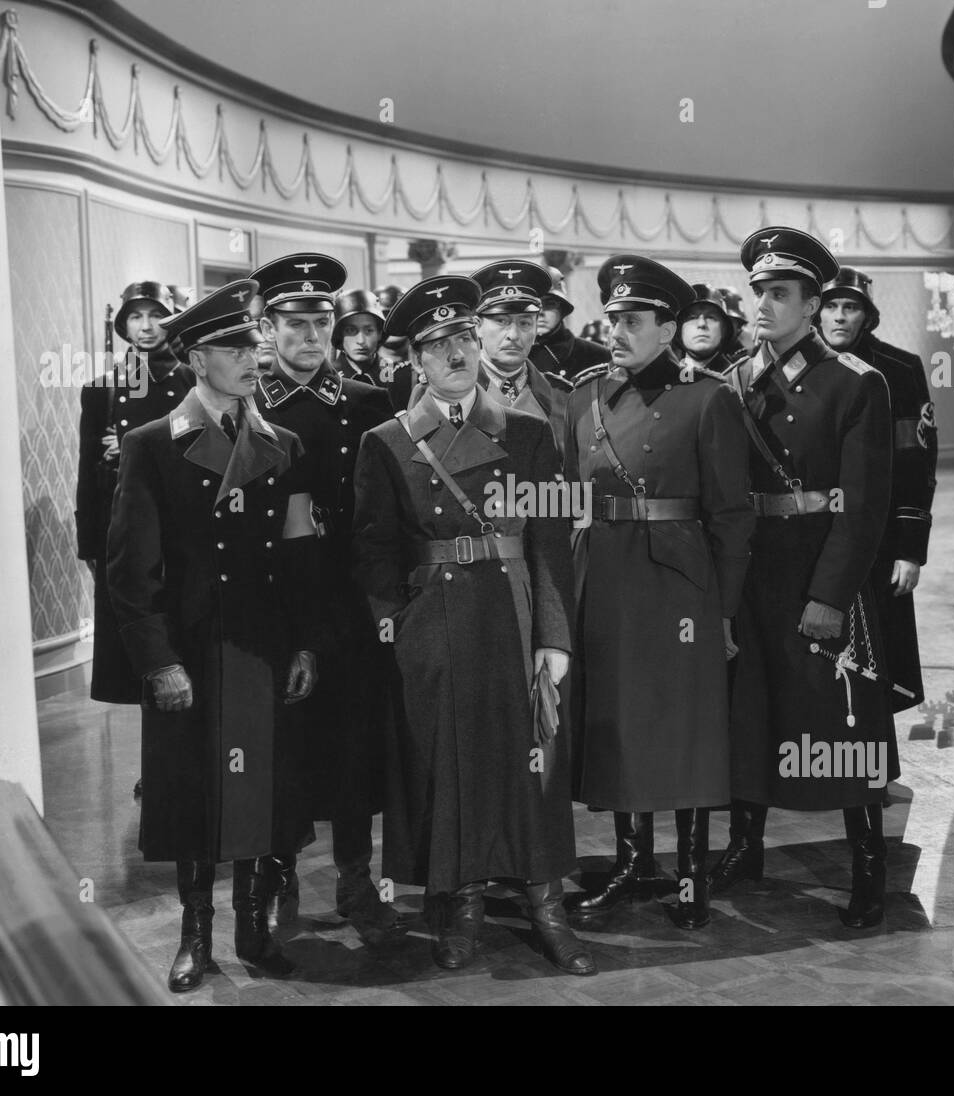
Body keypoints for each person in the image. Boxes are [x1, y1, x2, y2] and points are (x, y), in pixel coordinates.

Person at [351, 274, 596, 976]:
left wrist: (554, 635)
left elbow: (549, 538)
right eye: (438, 344)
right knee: (449, 764)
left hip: (514, 612)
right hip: (436, 621)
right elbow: (372, 550)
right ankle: (461, 905)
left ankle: (547, 904)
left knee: (533, 759)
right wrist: (396, 627)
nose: (456, 353)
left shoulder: (528, 432)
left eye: (463, 338)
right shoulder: (387, 442)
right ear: (417, 362)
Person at [107, 279, 325, 991]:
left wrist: (304, 643)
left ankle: (254, 927)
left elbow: (298, 559)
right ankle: (195, 934)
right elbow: (129, 572)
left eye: (253, 341)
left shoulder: (283, 443)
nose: (253, 354)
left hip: (263, 646)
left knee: (263, 787)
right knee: (196, 791)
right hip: (193, 649)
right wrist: (158, 663)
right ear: (198, 359)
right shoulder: (152, 447)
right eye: (236, 345)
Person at [563, 256, 755, 931]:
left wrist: (725, 607)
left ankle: (692, 872)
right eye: (612, 317)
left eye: (632, 320)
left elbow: (732, 513)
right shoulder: (583, 399)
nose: (616, 330)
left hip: (681, 582)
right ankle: (628, 863)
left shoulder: (708, 397)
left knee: (685, 725)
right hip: (607, 576)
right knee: (617, 721)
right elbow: (565, 500)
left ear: (668, 326)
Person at [716, 228, 900, 929]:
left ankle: (867, 869)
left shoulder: (856, 383)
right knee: (752, 714)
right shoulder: (733, 382)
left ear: (813, 302)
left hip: (820, 575)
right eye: (758, 290)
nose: (762, 303)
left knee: (841, 721)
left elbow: (865, 506)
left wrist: (830, 594)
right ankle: (744, 846)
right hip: (752, 572)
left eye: (779, 293)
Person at [249, 253, 399, 947]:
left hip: (351, 589)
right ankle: (276, 871)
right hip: (275, 592)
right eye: (295, 323)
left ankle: (355, 875)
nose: (310, 335)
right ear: (268, 327)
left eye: (321, 322)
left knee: (354, 736)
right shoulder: (249, 404)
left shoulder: (367, 402)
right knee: (282, 738)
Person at [818, 267, 937, 710]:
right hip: (814, 531)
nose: (841, 317)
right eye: (832, 306)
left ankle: (875, 768)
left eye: (851, 307)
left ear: (867, 316)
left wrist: (910, 548)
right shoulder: (797, 366)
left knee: (880, 654)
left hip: (882, 534)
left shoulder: (900, 369)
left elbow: (917, 462)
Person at [76, 281, 192, 707]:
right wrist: (89, 543)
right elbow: (88, 475)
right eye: (136, 317)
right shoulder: (104, 388)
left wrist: (128, 447)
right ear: (124, 324)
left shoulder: (191, 380)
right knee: (135, 651)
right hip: (124, 528)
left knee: (183, 639)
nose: (147, 326)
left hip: (184, 524)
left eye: (156, 315)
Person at [469, 259, 573, 451]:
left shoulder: (562, 395)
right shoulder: (448, 391)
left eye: (524, 323)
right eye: (501, 321)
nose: (514, 335)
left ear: (535, 329)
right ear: (477, 327)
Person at [531, 266, 612, 383]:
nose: (541, 312)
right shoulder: (514, 353)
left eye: (550, 304)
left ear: (562, 310)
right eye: (534, 305)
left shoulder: (596, 355)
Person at [675, 283, 748, 374]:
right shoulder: (664, 376)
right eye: (692, 318)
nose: (701, 324)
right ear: (678, 330)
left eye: (711, 317)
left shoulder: (739, 379)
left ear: (724, 329)